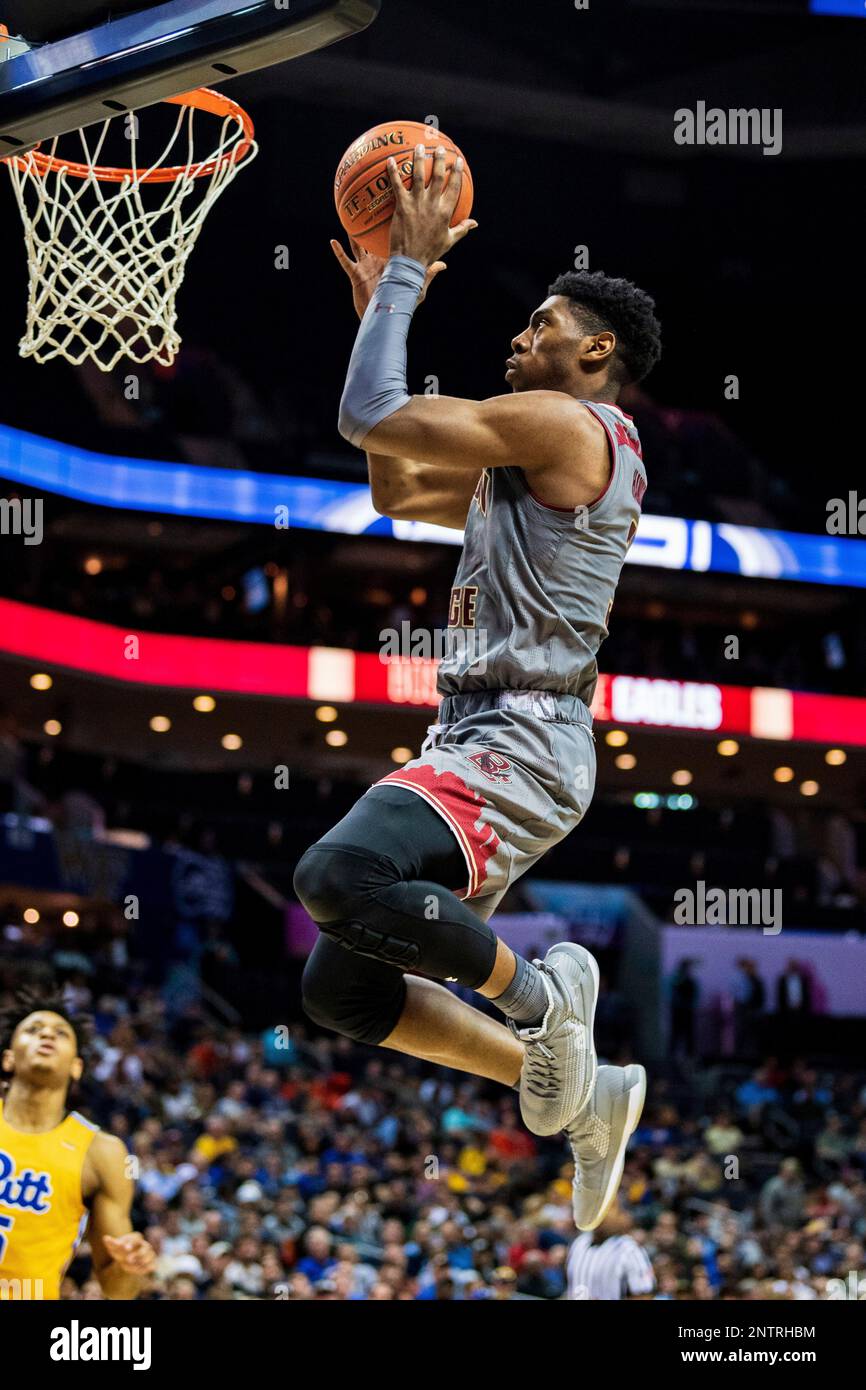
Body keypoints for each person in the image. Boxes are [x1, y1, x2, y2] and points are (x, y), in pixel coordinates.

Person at [295, 143, 662, 1232]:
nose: (518, 335)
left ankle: (546, 998)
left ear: (593, 350)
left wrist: (404, 272)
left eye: (540, 325)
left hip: (522, 737)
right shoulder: (534, 457)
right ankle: (578, 1088)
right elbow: (399, 484)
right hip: (489, 738)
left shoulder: (565, 425)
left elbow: (374, 415)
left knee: (338, 870)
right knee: (342, 989)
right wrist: (376, 305)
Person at [0, 988, 156, 1299]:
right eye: (33, 1030)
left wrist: (130, 1265)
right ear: (8, 1058)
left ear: (77, 1067)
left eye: (61, 1033)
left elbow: (117, 1289)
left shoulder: (101, 1153)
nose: (47, 1035)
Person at [566, 1198, 655, 1300]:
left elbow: (643, 1294)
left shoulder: (629, 1249)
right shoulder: (579, 1243)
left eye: (609, 1209)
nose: (603, 1214)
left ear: (622, 1216)